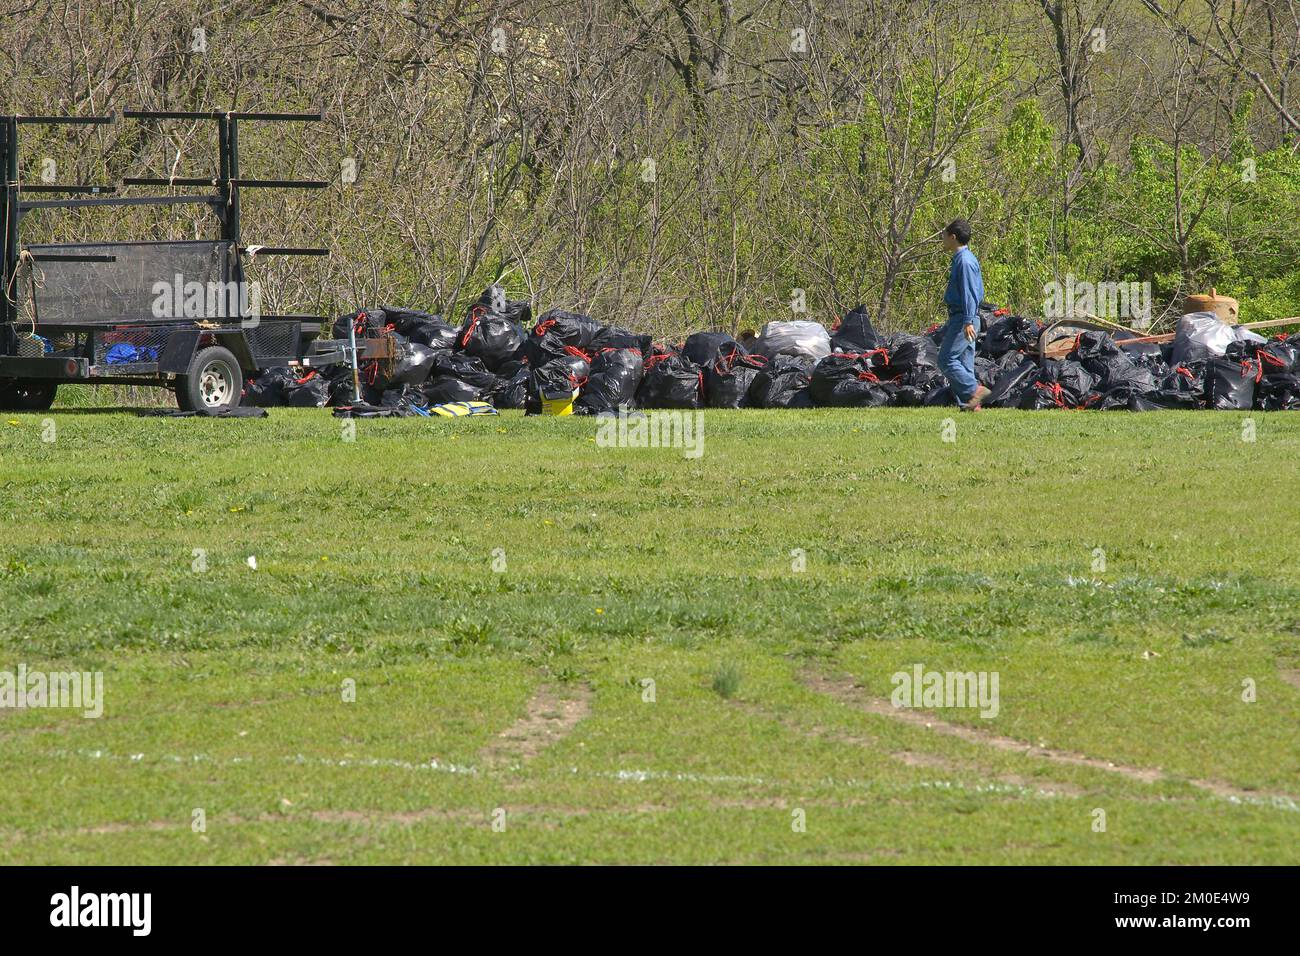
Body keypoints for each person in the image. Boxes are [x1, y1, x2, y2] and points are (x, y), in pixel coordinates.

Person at [939, 219, 990, 410]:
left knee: (946, 359)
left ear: (953, 237)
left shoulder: (964, 262)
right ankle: (970, 405)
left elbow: (969, 292)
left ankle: (973, 391)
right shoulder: (963, 259)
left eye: (944, 235)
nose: (943, 239)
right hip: (965, 317)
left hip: (963, 318)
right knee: (964, 362)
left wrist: (967, 320)